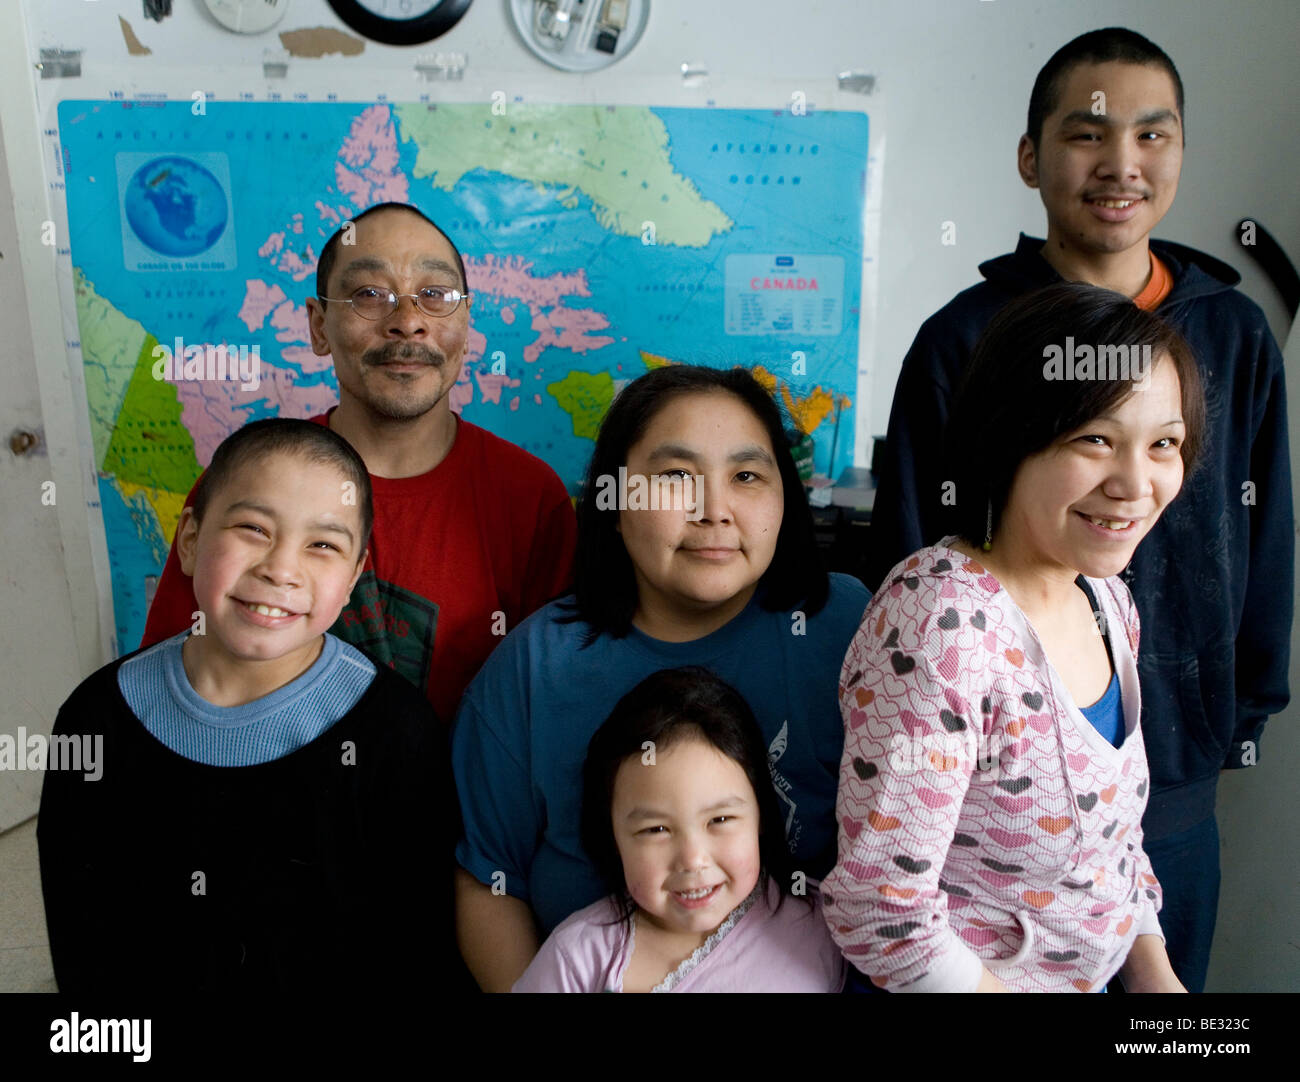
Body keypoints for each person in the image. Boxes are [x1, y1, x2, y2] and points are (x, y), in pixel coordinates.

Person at [864, 27, 1291, 991]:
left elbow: (1265, 534)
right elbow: (907, 550)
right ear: (1031, 155)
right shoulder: (964, 338)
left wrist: (1243, 707)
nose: (1123, 164)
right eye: (1089, 133)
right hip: (984, 793)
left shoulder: (1229, 330)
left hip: (1169, 756)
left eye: (1155, 135)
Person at [828, 284, 1203, 992]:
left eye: (1165, 445)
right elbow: (880, 911)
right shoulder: (943, 622)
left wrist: (1161, 985)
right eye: (1095, 438)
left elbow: (1114, 845)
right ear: (1010, 435)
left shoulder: (1106, 599)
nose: (1135, 482)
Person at [452, 364, 871, 991]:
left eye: (748, 476)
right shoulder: (534, 668)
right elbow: (490, 883)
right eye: (676, 477)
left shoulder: (852, 630)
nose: (715, 511)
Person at [38, 419, 456, 993]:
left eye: (324, 545)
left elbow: (414, 947)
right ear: (190, 539)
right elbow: (82, 934)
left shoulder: (396, 734)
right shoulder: (95, 720)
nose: (280, 569)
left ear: (355, 574)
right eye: (253, 528)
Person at [141, 202, 577, 724]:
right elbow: (167, 692)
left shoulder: (529, 497)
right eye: (370, 295)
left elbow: (551, 706)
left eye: (435, 296)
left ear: (466, 321)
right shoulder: (244, 484)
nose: (408, 323)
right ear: (319, 326)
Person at [513, 667, 844, 993]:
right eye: (656, 829)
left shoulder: (827, 926)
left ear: (760, 813)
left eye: (720, 820)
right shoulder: (578, 959)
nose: (692, 860)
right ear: (612, 836)